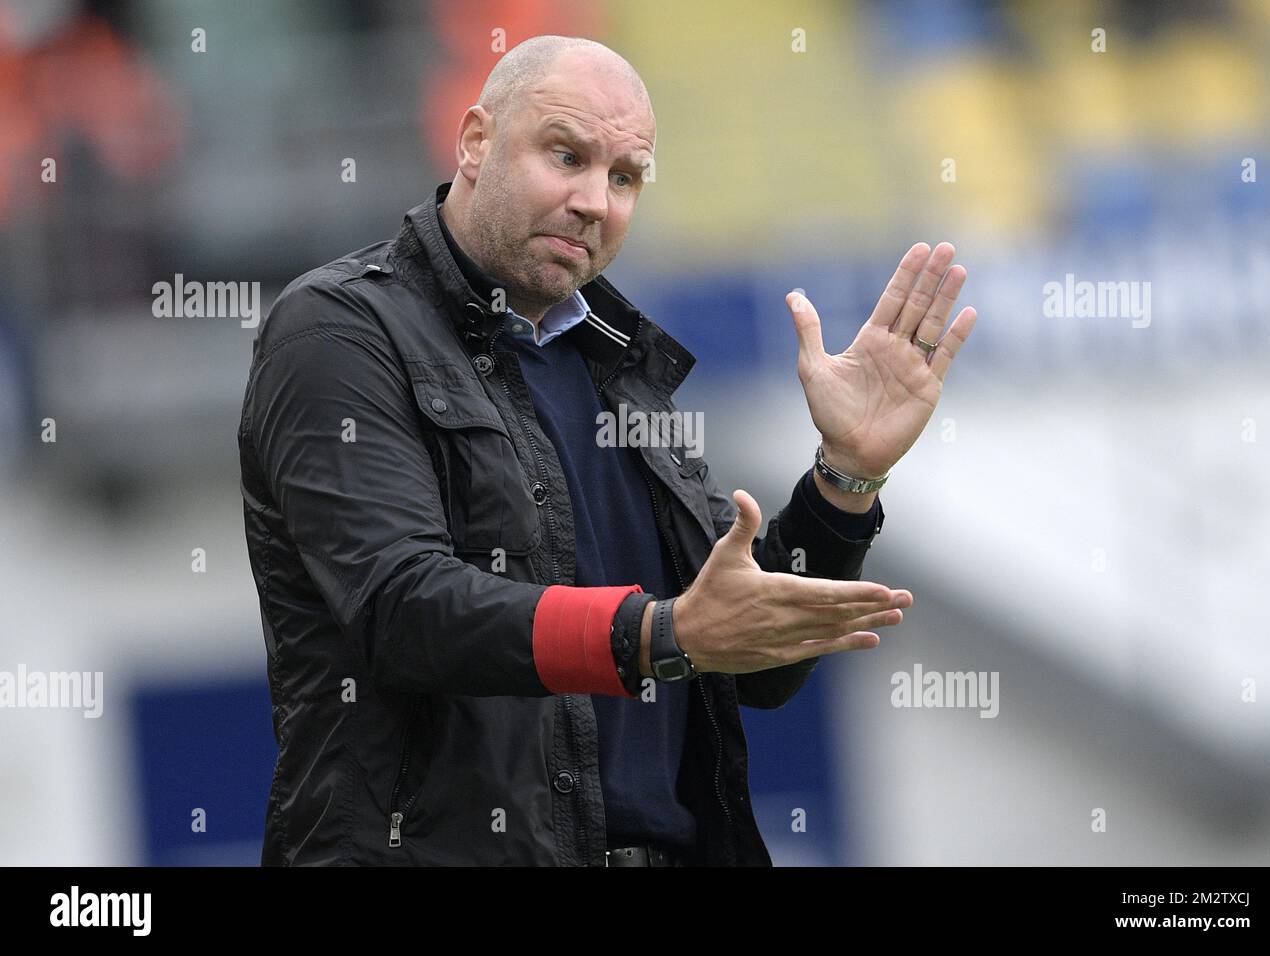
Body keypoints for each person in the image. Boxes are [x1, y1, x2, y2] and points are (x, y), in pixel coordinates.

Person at [238, 34, 977, 867]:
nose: (595, 199)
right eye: (567, 156)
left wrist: (845, 474)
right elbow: (403, 609)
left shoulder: (620, 362)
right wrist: (656, 634)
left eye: (624, 177)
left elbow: (749, 661)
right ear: (475, 140)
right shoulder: (337, 329)